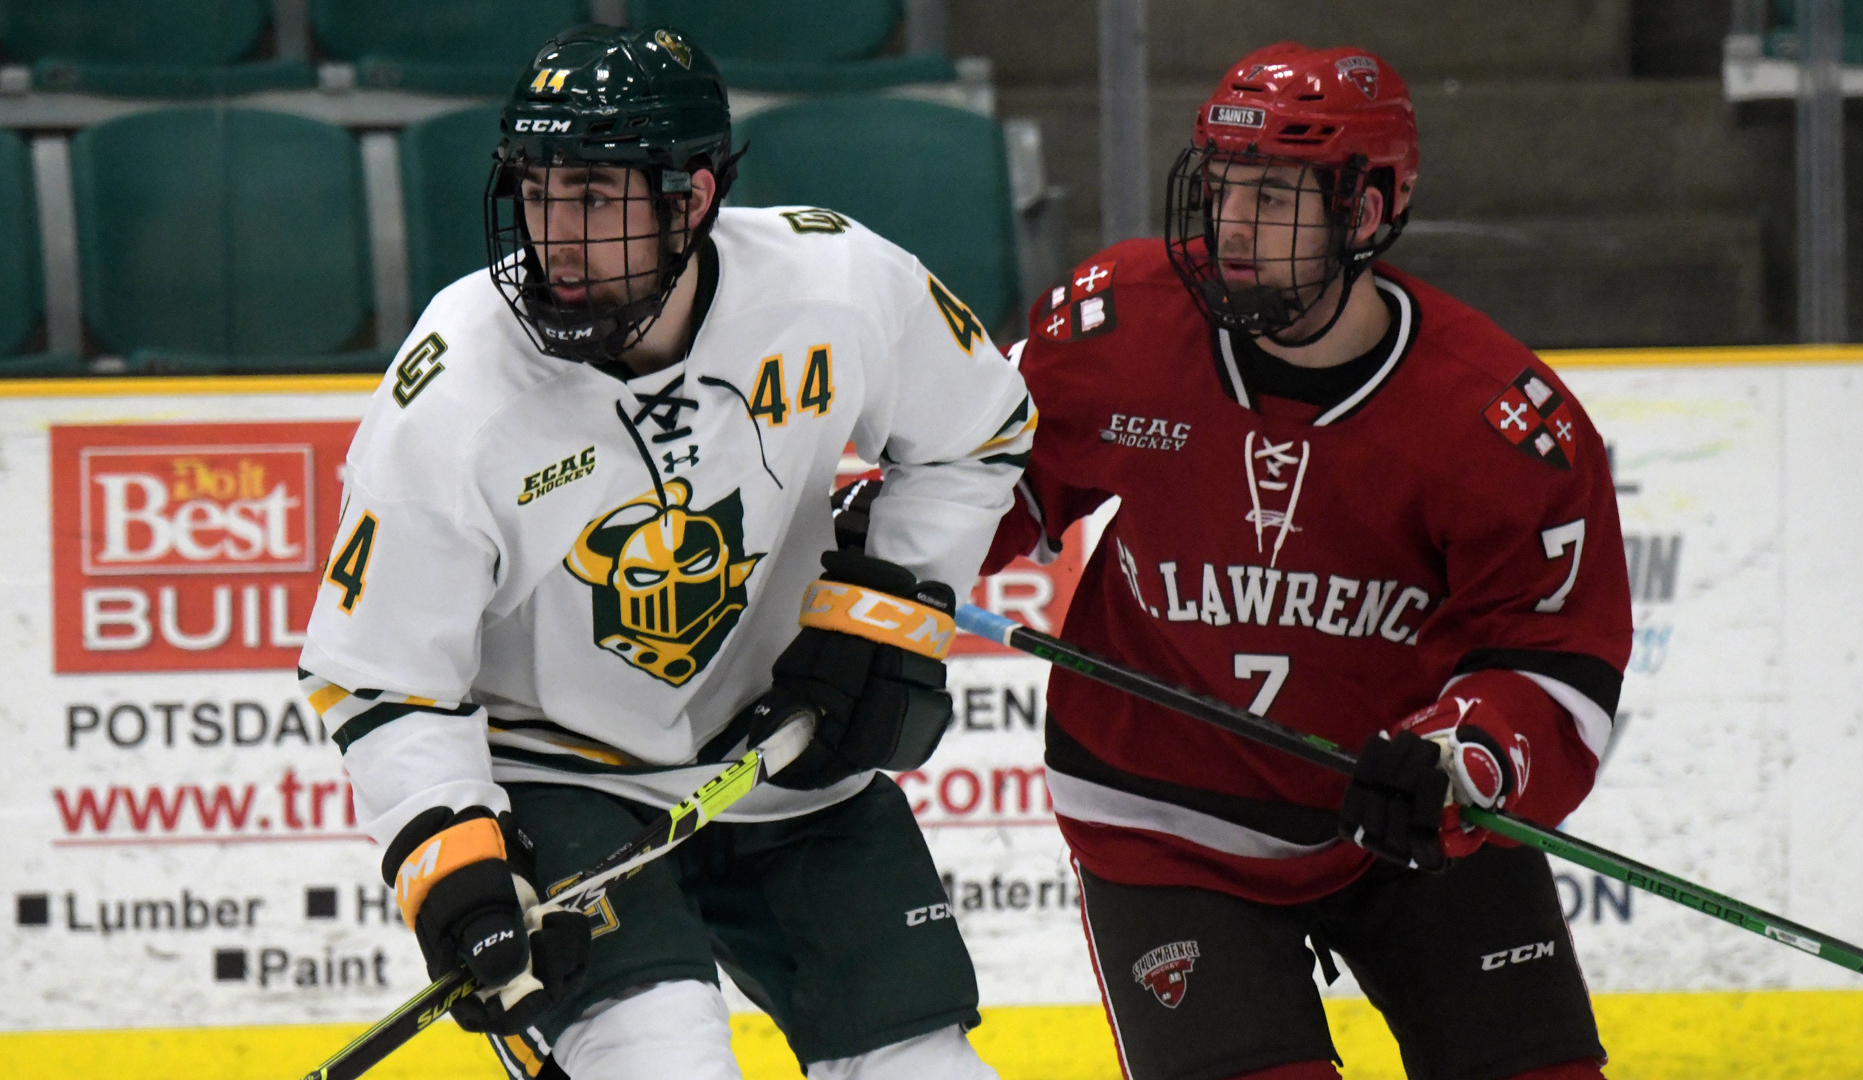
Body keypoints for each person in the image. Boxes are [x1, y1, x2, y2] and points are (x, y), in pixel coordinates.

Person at [299, 23, 1031, 1080]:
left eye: (594, 198)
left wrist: (879, 619)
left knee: (924, 1069)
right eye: (540, 194)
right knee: (664, 1060)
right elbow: (379, 674)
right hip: (555, 778)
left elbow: (981, 432)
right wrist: (452, 857)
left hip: (781, 750)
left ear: (690, 200)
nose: (557, 233)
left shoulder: (836, 285)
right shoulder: (457, 384)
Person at [981, 43, 1632, 1080]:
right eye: (1224, 184)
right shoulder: (1122, 324)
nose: (1232, 224)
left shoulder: (1499, 423)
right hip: (1167, 820)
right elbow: (984, 475)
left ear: (1366, 214)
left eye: (1275, 194)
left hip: (1404, 814)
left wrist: (1464, 758)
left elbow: (1556, 655)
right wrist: (869, 549)